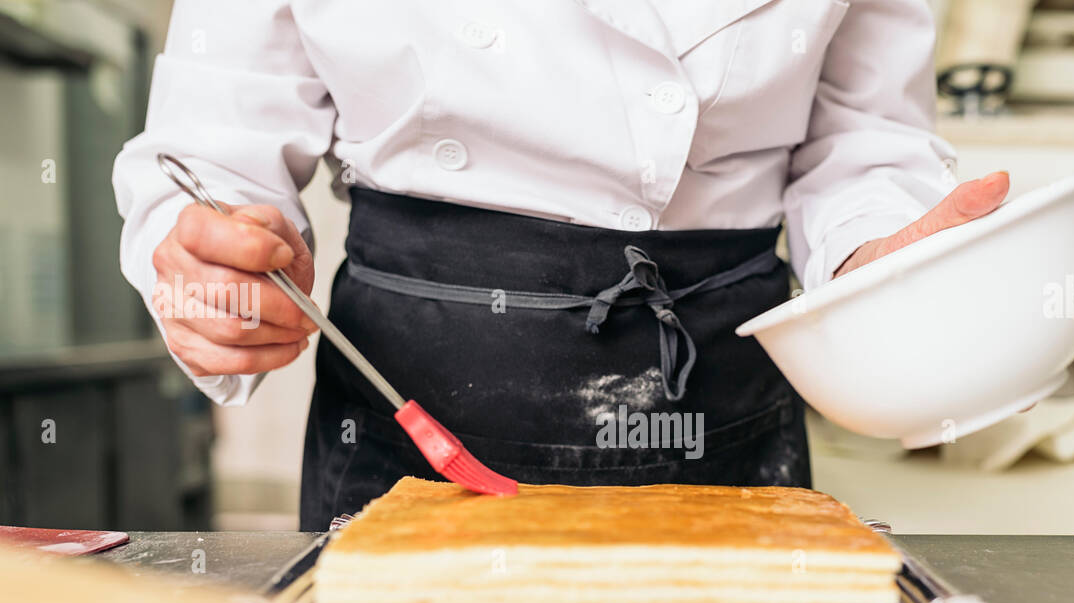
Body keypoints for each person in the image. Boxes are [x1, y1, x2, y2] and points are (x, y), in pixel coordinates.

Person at [113, 0, 1009, 531]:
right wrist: (214, 257)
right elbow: (218, 141)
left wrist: (877, 254)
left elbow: (864, 130)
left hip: (722, 385)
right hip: (414, 401)